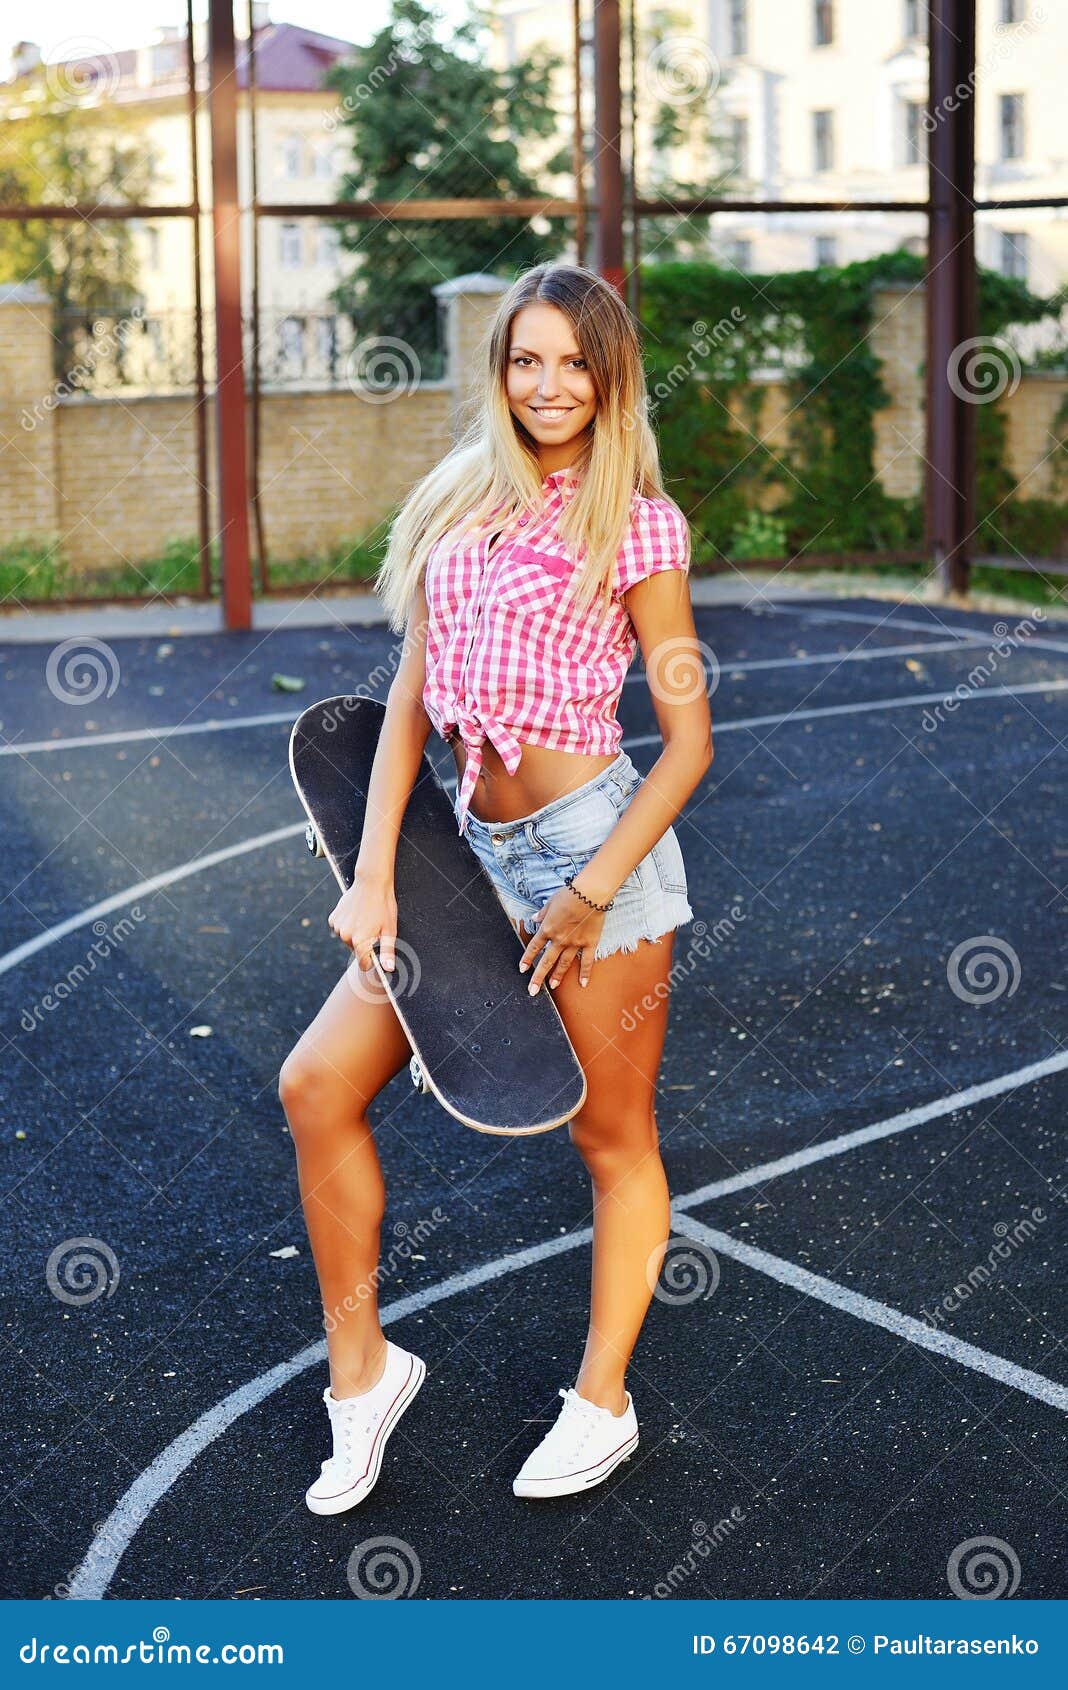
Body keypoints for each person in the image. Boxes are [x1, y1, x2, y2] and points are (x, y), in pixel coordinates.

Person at [278, 260, 713, 1514]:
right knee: (316, 1085)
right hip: (467, 857)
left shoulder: (639, 521)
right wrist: (374, 878)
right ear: (500, 371)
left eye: (574, 361)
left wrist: (587, 892)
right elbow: (411, 695)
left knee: (610, 1137)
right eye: (526, 359)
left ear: (609, 373)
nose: (549, 383)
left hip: (599, 859)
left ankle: (604, 1401)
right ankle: (363, 1376)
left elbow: (688, 745)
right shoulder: (463, 503)